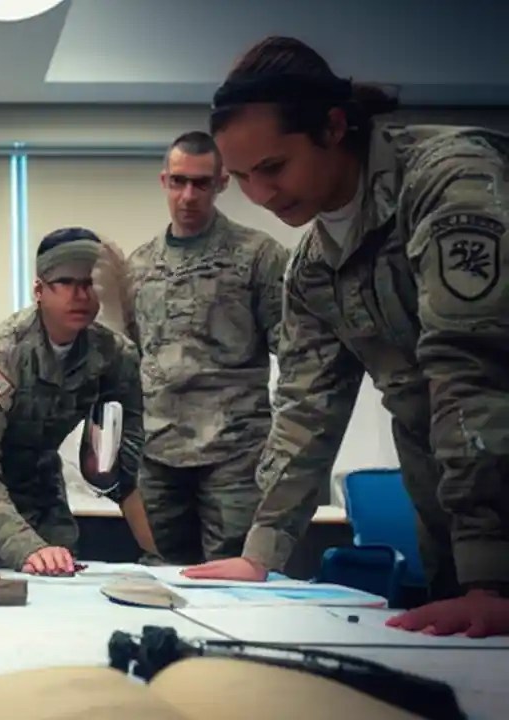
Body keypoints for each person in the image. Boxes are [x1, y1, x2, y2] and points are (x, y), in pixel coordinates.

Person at [182, 36, 509, 638]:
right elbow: (306, 411)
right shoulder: (313, 266)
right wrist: (261, 553)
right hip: (448, 506)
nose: (260, 195)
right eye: (243, 177)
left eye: (273, 168)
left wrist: (491, 579)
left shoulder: (448, 179)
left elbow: (472, 375)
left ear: (334, 127)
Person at [0, 228, 157, 576]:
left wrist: (158, 555)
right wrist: (25, 547)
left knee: (64, 584)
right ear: (39, 290)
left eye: (89, 283)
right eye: (66, 282)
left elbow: (126, 462)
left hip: (45, 500)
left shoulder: (112, 355)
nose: (81, 295)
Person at [126, 131, 289, 564]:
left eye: (201, 183)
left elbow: (298, 356)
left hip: (235, 452)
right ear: (164, 181)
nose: (188, 195)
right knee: (159, 574)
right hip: (158, 452)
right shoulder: (139, 266)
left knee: (231, 574)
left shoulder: (258, 256)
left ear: (222, 183)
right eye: (179, 181)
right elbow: (131, 360)